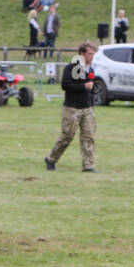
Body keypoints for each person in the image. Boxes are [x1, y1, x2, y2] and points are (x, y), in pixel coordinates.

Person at [45, 40, 97, 172]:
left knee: (88, 136)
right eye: (90, 54)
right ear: (82, 54)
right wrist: (83, 86)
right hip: (72, 108)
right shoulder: (73, 67)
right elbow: (65, 85)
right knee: (67, 136)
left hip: (87, 108)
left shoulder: (90, 69)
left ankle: (88, 165)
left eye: (93, 54)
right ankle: (51, 158)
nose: (92, 57)